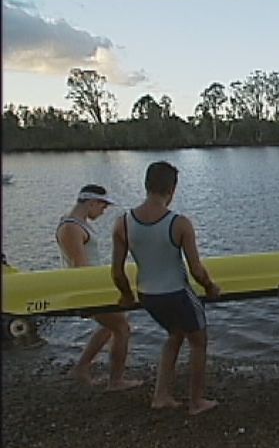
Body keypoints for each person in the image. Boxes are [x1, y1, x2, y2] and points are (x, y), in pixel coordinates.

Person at [112, 161, 221, 415]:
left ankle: (161, 396)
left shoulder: (123, 223)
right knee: (199, 342)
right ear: (172, 189)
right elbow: (196, 270)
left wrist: (126, 296)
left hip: (148, 295)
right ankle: (197, 402)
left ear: (146, 185)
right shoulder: (180, 223)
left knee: (175, 334)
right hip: (178, 294)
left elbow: (117, 272)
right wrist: (210, 287)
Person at [57, 184, 141, 391]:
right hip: (88, 288)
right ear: (91, 202)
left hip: (94, 286)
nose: (103, 212)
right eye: (102, 207)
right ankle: (116, 381)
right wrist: (88, 301)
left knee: (110, 326)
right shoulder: (72, 228)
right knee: (122, 328)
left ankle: (81, 368)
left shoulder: (74, 223)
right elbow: (80, 266)